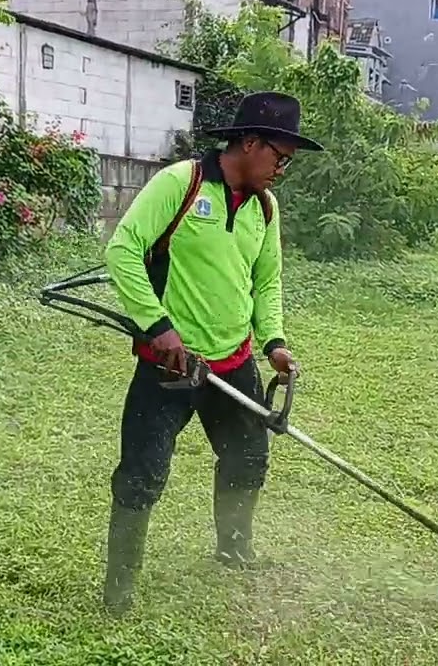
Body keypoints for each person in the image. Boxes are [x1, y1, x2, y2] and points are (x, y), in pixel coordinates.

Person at [99, 91, 323, 616]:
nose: (282, 171)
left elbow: (266, 281)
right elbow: (122, 249)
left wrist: (274, 342)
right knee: (142, 474)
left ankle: (234, 547)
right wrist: (158, 326)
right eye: (280, 158)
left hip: (233, 362)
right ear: (250, 143)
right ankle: (119, 587)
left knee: (248, 458)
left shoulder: (265, 208)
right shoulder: (183, 183)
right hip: (169, 367)